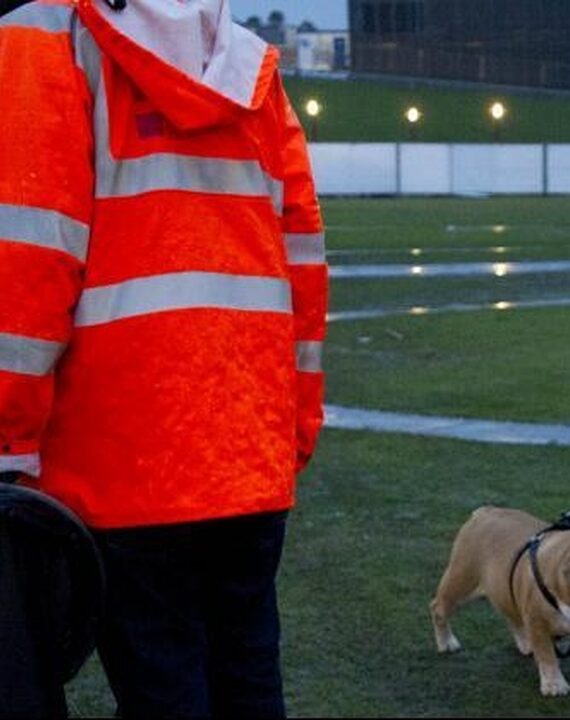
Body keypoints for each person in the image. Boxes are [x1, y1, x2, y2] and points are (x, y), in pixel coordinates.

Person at [0, 0, 327, 716]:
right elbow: (302, 257)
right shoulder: (247, 62)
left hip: (123, 453)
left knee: (163, 686)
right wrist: (294, 424)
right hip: (246, 450)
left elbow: (29, 255)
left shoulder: (46, 36)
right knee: (246, 675)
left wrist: (8, 438)